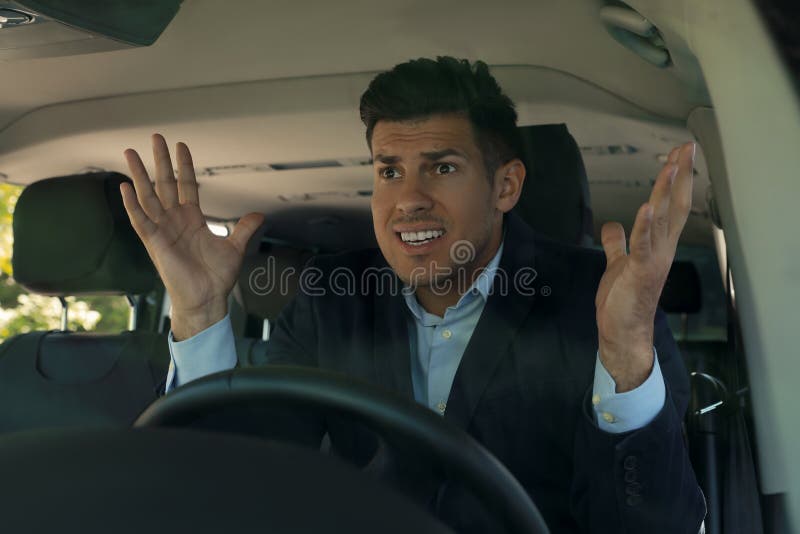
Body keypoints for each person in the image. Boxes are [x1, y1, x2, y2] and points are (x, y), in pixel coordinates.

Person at [120, 57, 706, 533]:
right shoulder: (331, 297)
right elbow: (237, 485)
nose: (408, 200)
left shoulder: (601, 301)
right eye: (389, 171)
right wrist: (198, 312)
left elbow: (652, 524)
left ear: (505, 186)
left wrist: (625, 355)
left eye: (442, 168)